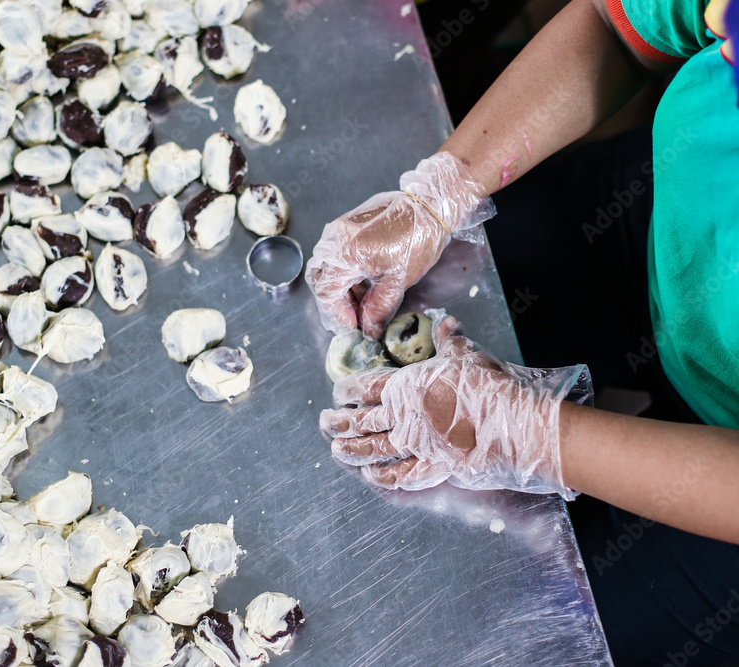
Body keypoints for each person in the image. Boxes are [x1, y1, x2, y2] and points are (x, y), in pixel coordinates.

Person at [306, 0, 739, 664]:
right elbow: (615, 29)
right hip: (667, 230)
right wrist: (440, 191)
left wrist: (532, 433)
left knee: (507, 628)